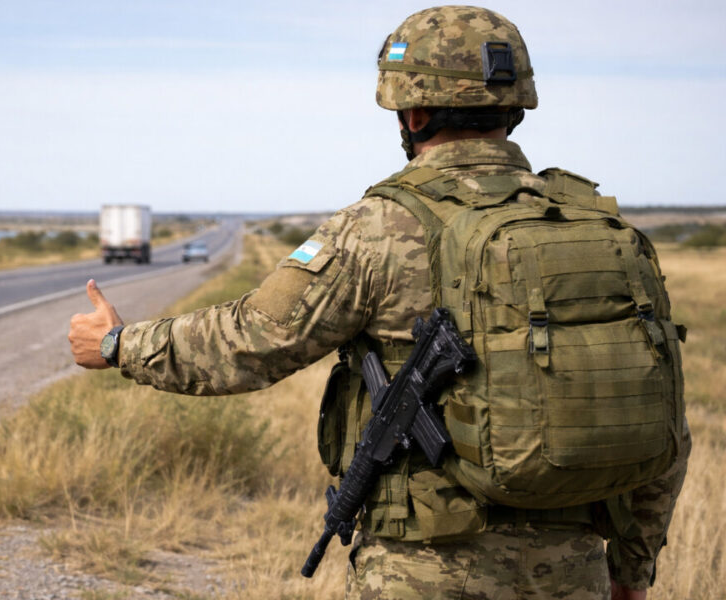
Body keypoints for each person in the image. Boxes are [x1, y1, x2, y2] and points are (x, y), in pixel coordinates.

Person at [69, 6, 689, 599]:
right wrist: (632, 568)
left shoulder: (378, 227)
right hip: (572, 572)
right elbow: (664, 419)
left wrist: (120, 344)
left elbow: (251, 343)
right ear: (514, 106)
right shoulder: (601, 230)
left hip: (425, 571)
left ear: (411, 114)